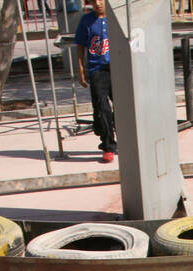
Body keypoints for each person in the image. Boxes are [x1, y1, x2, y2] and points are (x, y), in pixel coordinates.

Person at [75, 0, 115, 162]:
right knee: (102, 108)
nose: (98, 4)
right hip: (97, 70)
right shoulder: (86, 21)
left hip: (117, 69)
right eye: (94, 1)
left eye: (101, 0)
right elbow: (80, 46)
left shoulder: (115, 18)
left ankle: (127, 141)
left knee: (124, 107)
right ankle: (108, 146)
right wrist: (81, 70)